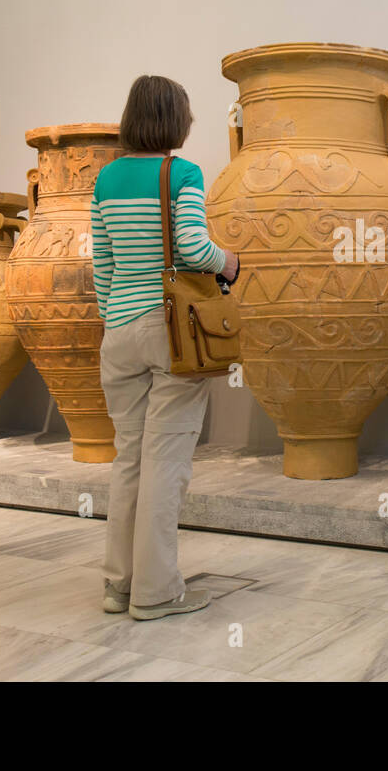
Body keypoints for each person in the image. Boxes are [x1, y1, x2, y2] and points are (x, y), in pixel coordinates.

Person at [90, 75, 240, 621]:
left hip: (119, 333)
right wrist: (230, 263)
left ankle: (118, 586)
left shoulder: (105, 179)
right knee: (165, 461)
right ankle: (156, 593)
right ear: (175, 120)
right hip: (172, 331)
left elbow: (102, 264)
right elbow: (193, 247)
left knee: (128, 457)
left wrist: (116, 323)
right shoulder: (182, 173)